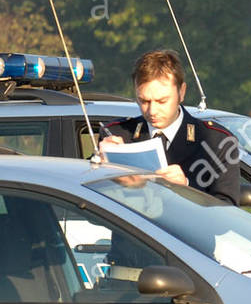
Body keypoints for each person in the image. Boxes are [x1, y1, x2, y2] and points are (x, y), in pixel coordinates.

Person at [98, 49, 240, 205]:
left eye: (162, 101)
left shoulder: (216, 142)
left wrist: (186, 187)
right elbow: (90, 202)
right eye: (144, 101)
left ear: (182, 92)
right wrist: (99, 167)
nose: (152, 111)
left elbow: (227, 209)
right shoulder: (117, 134)